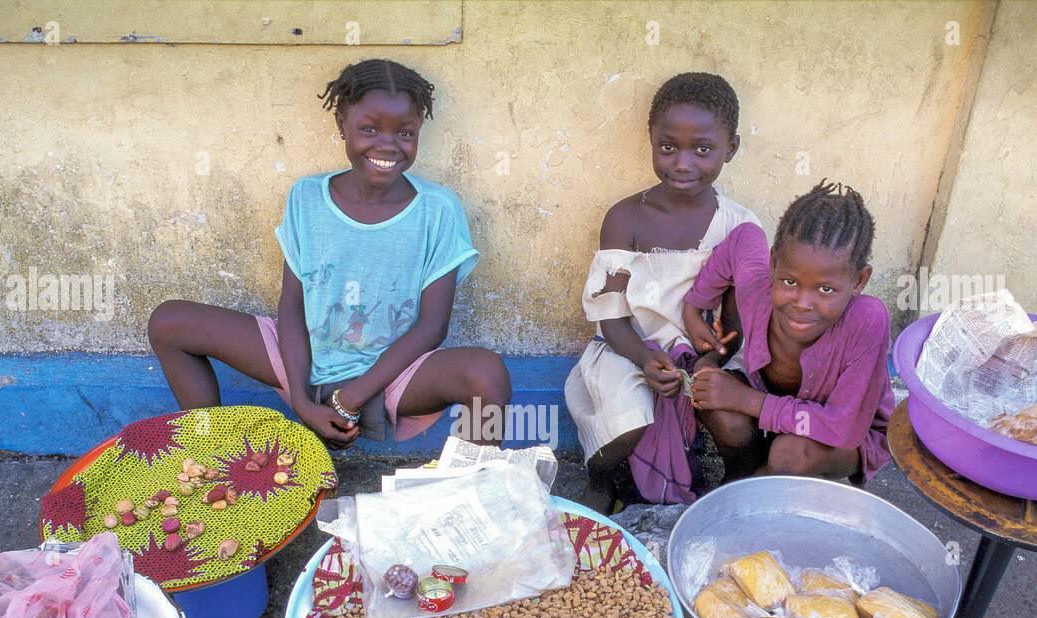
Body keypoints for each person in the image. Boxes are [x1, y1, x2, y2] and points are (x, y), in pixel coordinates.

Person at [148, 59, 511, 449]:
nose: (387, 144)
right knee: (170, 321)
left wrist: (350, 398)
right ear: (342, 124)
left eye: (405, 132)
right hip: (305, 355)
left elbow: (431, 327)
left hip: (395, 371)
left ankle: (475, 485)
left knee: (486, 374)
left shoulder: (438, 209)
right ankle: (210, 455)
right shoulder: (307, 197)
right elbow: (291, 309)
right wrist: (303, 402)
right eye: (369, 129)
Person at [564, 72, 759, 511]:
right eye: (668, 147)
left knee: (734, 424)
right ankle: (600, 478)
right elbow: (610, 315)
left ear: (731, 148)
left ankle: (734, 487)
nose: (683, 163)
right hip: (627, 346)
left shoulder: (740, 226)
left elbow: (736, 322)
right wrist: (643, 358)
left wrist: (713, 359)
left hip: (706, 355)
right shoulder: (625, 218)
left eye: (703, 149)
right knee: (624, 418)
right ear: (651, 140)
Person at [683, 181, 894, 484]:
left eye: (826, 289)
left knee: (788, 454)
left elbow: (843, 429)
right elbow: (744, 238)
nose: (802, 304)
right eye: (790, 282)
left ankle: (765, 488)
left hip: (840, 439)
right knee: (715, 401)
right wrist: (694, 310)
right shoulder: (758, 287)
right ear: (773, 263)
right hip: (775, 407)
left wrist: (745, 399)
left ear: (859, 281)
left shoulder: (866, 320)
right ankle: (741, 477)